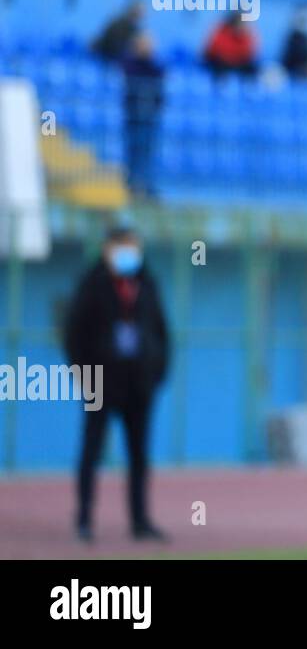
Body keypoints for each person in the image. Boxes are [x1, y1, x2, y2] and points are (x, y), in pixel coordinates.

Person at [63, 225, 171, 544]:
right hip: (100, 380)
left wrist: (157, 372)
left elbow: (161, 331)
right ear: (108, 248)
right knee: (91, 450)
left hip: (138, 383)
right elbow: (74, 333)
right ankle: (84, 519)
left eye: (134, 247)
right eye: (123, 247)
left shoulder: (147, 282)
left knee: (139, 455)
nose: (129, 254)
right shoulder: (92, 284)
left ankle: (140, 521)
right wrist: (85, 374)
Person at [122, 33, 165, 198]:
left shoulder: (154, 66)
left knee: (149, 152)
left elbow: (159, 75)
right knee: (134, 151)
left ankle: (147, 186)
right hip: (134, 116)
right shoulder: (130, 64)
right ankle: (132, 185)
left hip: (149, 116)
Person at [202, 12, 258, 79]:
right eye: (238, 23)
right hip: (221, 63)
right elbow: (213, 50)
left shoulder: (245, 35)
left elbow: (249, 53)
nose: (240, 27)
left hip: (237, 63)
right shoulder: (222, 31)